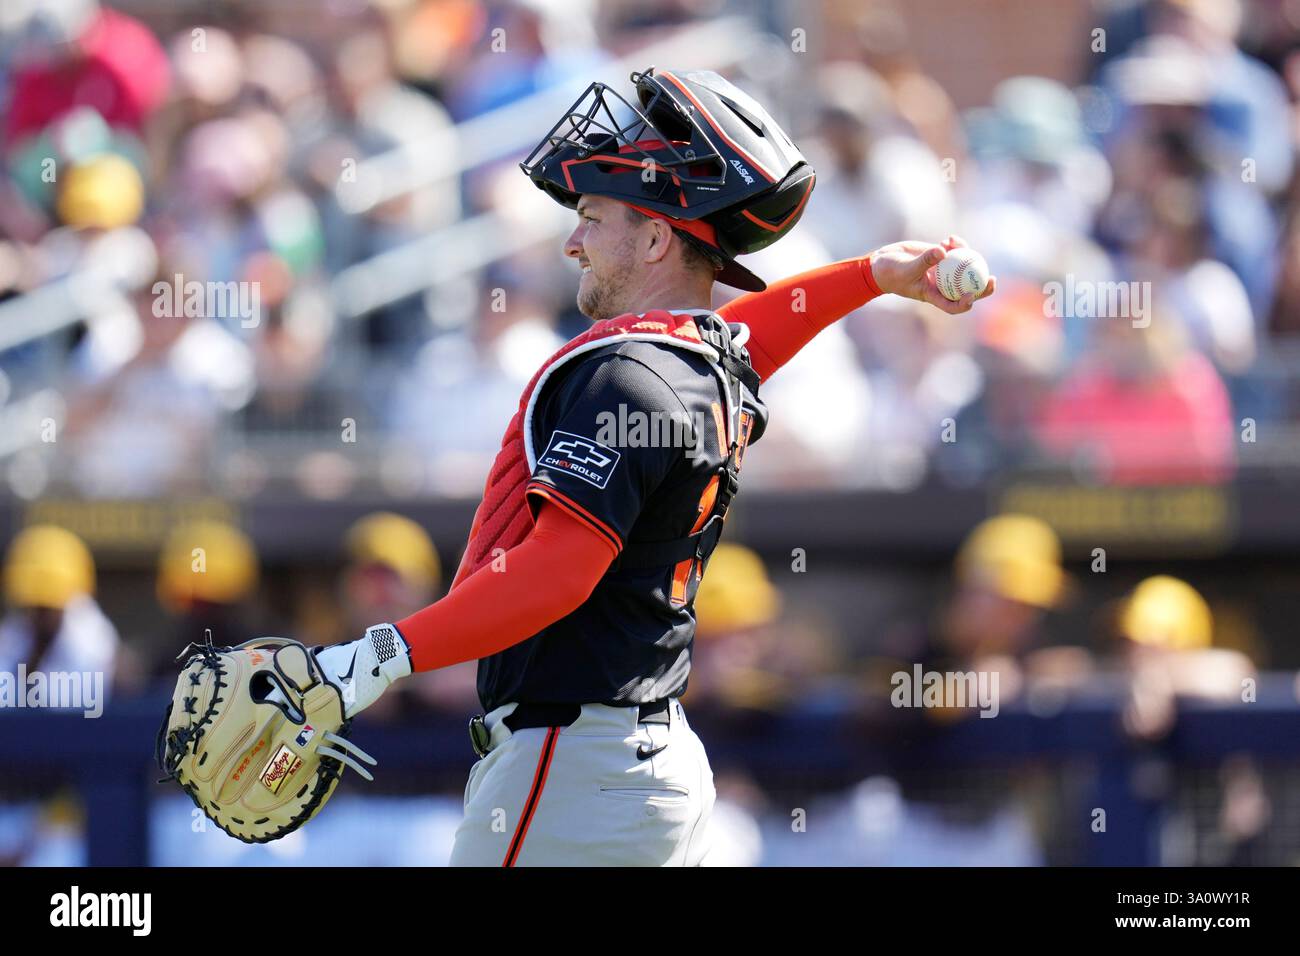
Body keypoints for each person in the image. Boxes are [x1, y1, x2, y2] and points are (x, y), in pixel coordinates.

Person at [307, 67, 994, 866]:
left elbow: (554, 574)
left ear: (658, 236)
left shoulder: (627, 375)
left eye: (593, 217)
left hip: (574, 767)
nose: (573, 240)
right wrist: (872, 274)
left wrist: (369, 660)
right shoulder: (695, 362)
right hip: (646, 763)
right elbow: (754, 332)